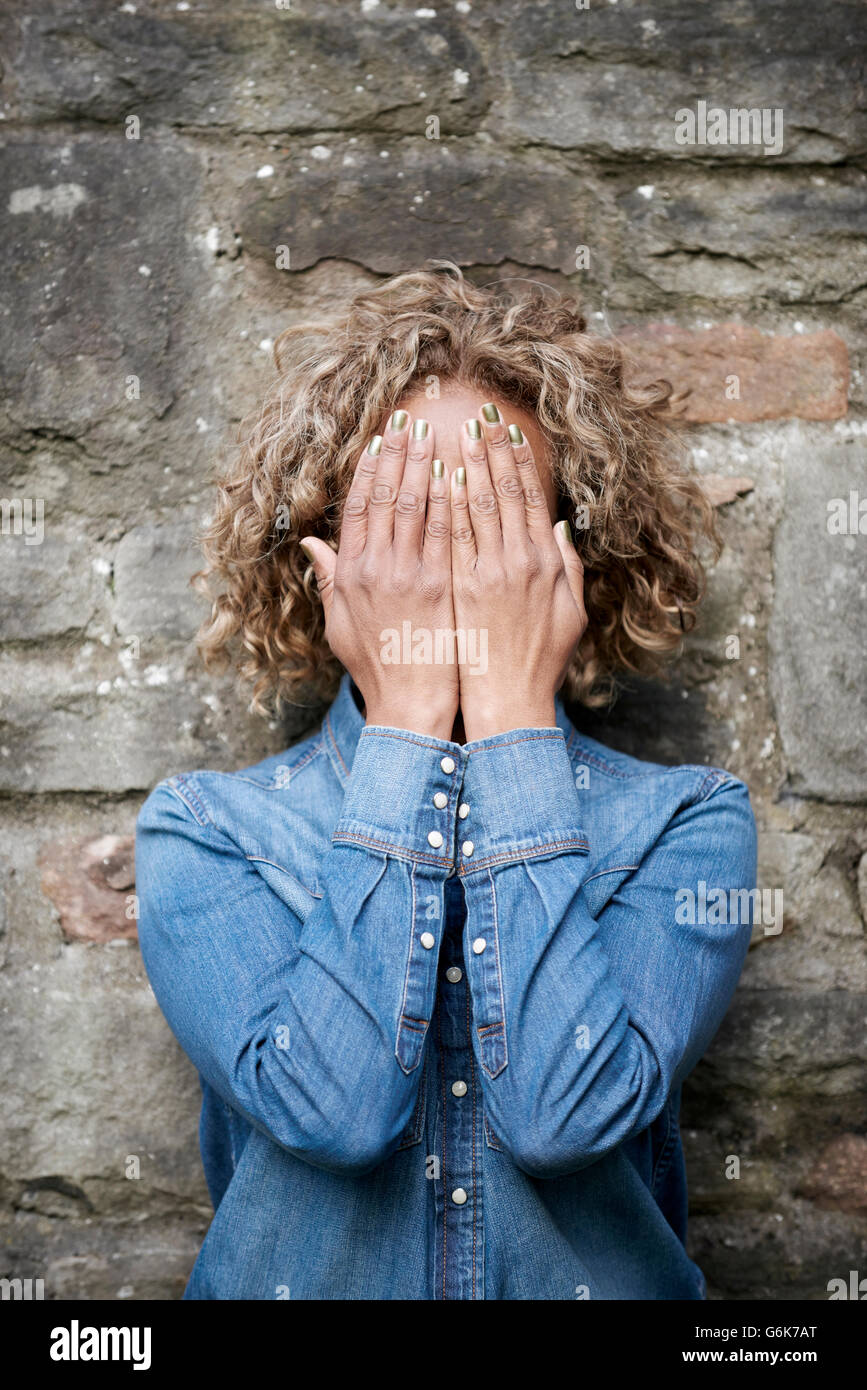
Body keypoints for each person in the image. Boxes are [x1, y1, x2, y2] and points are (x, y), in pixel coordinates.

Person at [135, 265, 757, 1300]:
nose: (452, 558)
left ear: (571, 551)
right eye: (404, 516)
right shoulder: (208, 832)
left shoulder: (685, 825)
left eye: (499, 513)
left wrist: (512, 714)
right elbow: (334, 1109)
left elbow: (564, 1113)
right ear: (328, 552)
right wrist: (411, 718)